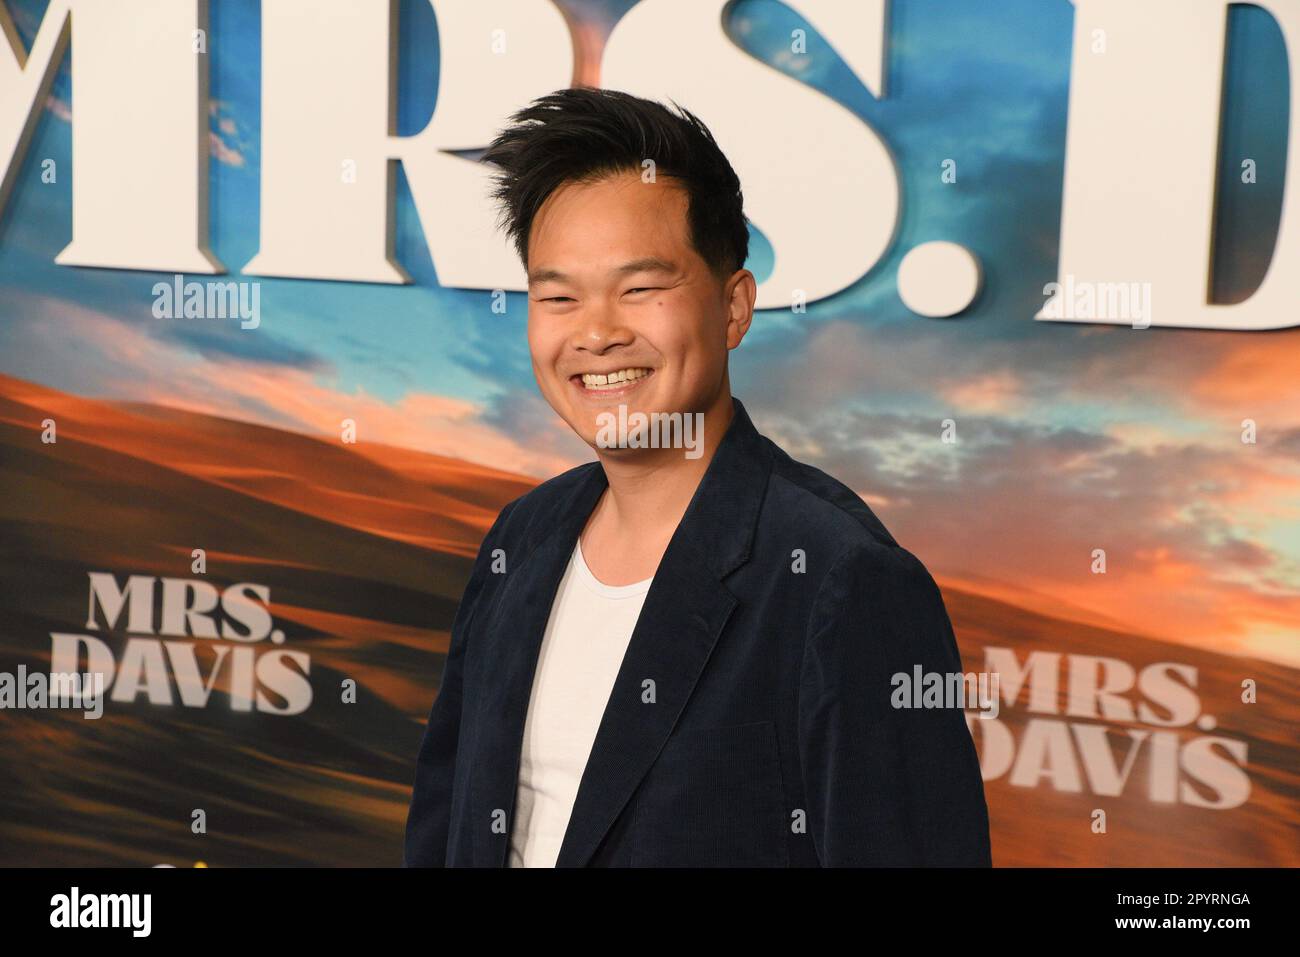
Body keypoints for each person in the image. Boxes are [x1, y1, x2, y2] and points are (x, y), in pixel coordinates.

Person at [404, 87, 991, 867]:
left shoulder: (840, 580)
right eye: (558, 296)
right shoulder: (523, 536)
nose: (598, 332)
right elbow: (443, 825)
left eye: (641, 288)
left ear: (734, 306)